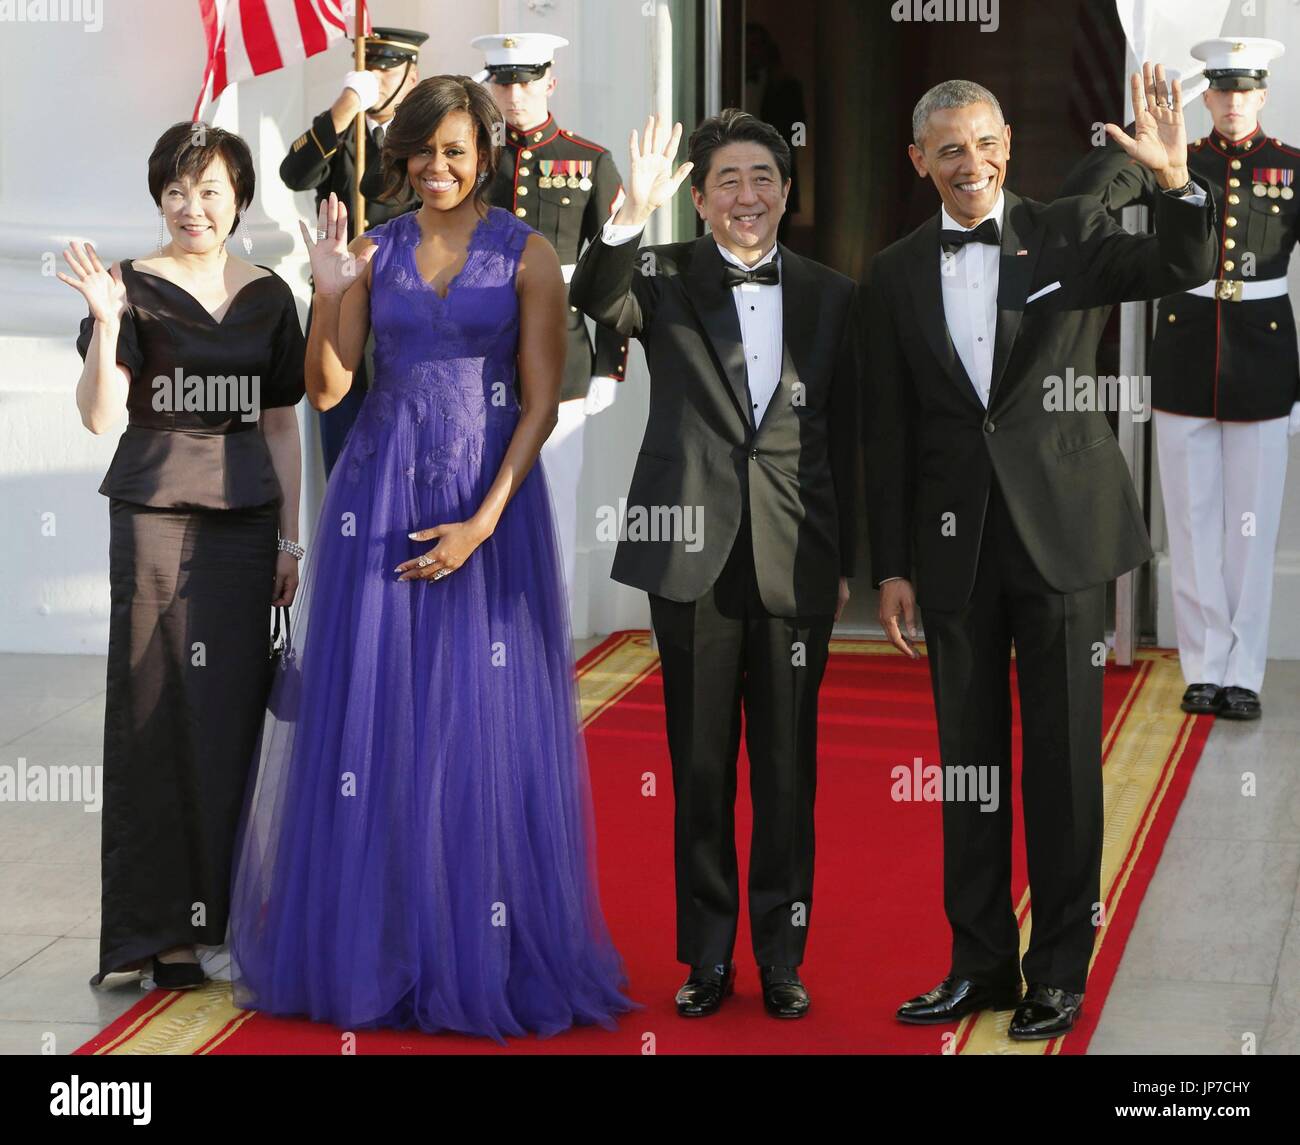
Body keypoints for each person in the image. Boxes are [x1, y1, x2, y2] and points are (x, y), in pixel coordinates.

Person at [228, 76, 635, 1042]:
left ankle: (478, 942)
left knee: (476, 722)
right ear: (403, 157)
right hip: (381, 492)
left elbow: (539, 403)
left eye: (455, 151)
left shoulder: (531, 253)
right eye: (421, 152)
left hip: (489, 506)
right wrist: (328, 296)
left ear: (484, 155)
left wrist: (486, 519)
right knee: (380, 721)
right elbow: (328, 391)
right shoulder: (375, 247)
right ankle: (384, 942)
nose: (438, 168)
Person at [867, 67, 1216, 1039]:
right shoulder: (892, 270)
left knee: (1062, 762)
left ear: (1006, 145)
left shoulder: (1066, 232)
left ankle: (1058, 968)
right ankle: (978, 963)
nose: (967, 163)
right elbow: (885, 429)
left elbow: (1179, 264)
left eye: (981, 143)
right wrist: (891, 561)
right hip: (952, 549)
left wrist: (1177, 181)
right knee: (967, 764)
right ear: (918, 161)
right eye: (947, 149)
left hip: (1060, 537)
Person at [570, 109, 860, 1020]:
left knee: (787, 771)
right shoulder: (661, 275)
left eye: (764, 179)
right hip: (689, 550)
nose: (747, 196)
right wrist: (627, 217)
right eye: (728, 181)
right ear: (699, 199)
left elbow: (848, 437)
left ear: (785, 193)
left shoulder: (830, 292)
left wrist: (851, 554)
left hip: (794, 555)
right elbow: (595, 299)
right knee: (697, 768)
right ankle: (705, 957)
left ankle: (781, 955)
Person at [63, 122, 305, 992]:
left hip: (246, 525)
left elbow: (282, 423)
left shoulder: (273, 295)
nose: (191, 206)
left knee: (232, 713)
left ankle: (225, 917)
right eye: (175, 188)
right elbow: (100, 418)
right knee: (154, 707)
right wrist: (101, 325)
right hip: (156, 512)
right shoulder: (127, 287)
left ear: (239, 196)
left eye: (208, 190)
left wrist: (289, 537)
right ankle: (155, 930)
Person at [1060, 38, 1300, 722]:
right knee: (1191, 523)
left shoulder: (1290, 168)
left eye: (1243, 91)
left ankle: (1243, 672)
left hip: (1263, 360)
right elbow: (1099, 195)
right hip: (1186, 355)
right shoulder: (1180, 161)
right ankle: (1203, 667)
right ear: (1209, 98)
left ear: (1260, 95)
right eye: (1220, 92)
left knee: (1249, 531)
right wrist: (1126, 143)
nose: (1230, 103)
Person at [471, 32, 629, 611]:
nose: (513, 93)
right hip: (477, 352)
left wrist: (610, 364)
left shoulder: (589, 160)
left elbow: (616, 265)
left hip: (561, 356)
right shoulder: (470, 159)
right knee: (477, 493)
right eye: (502, 80)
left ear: (549, 82)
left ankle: (544, 627)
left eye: (526, 79)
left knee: (555, 499)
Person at [280, 26, 426, 475]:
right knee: (343, 444)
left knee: (402, 450)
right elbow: (295, 173)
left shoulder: (427, 142)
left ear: (412, 76)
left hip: (399, 303)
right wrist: (344, 107)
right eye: (369, 66)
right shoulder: (340, 132)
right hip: (339, 301)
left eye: (388, 67)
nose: (377, 77)